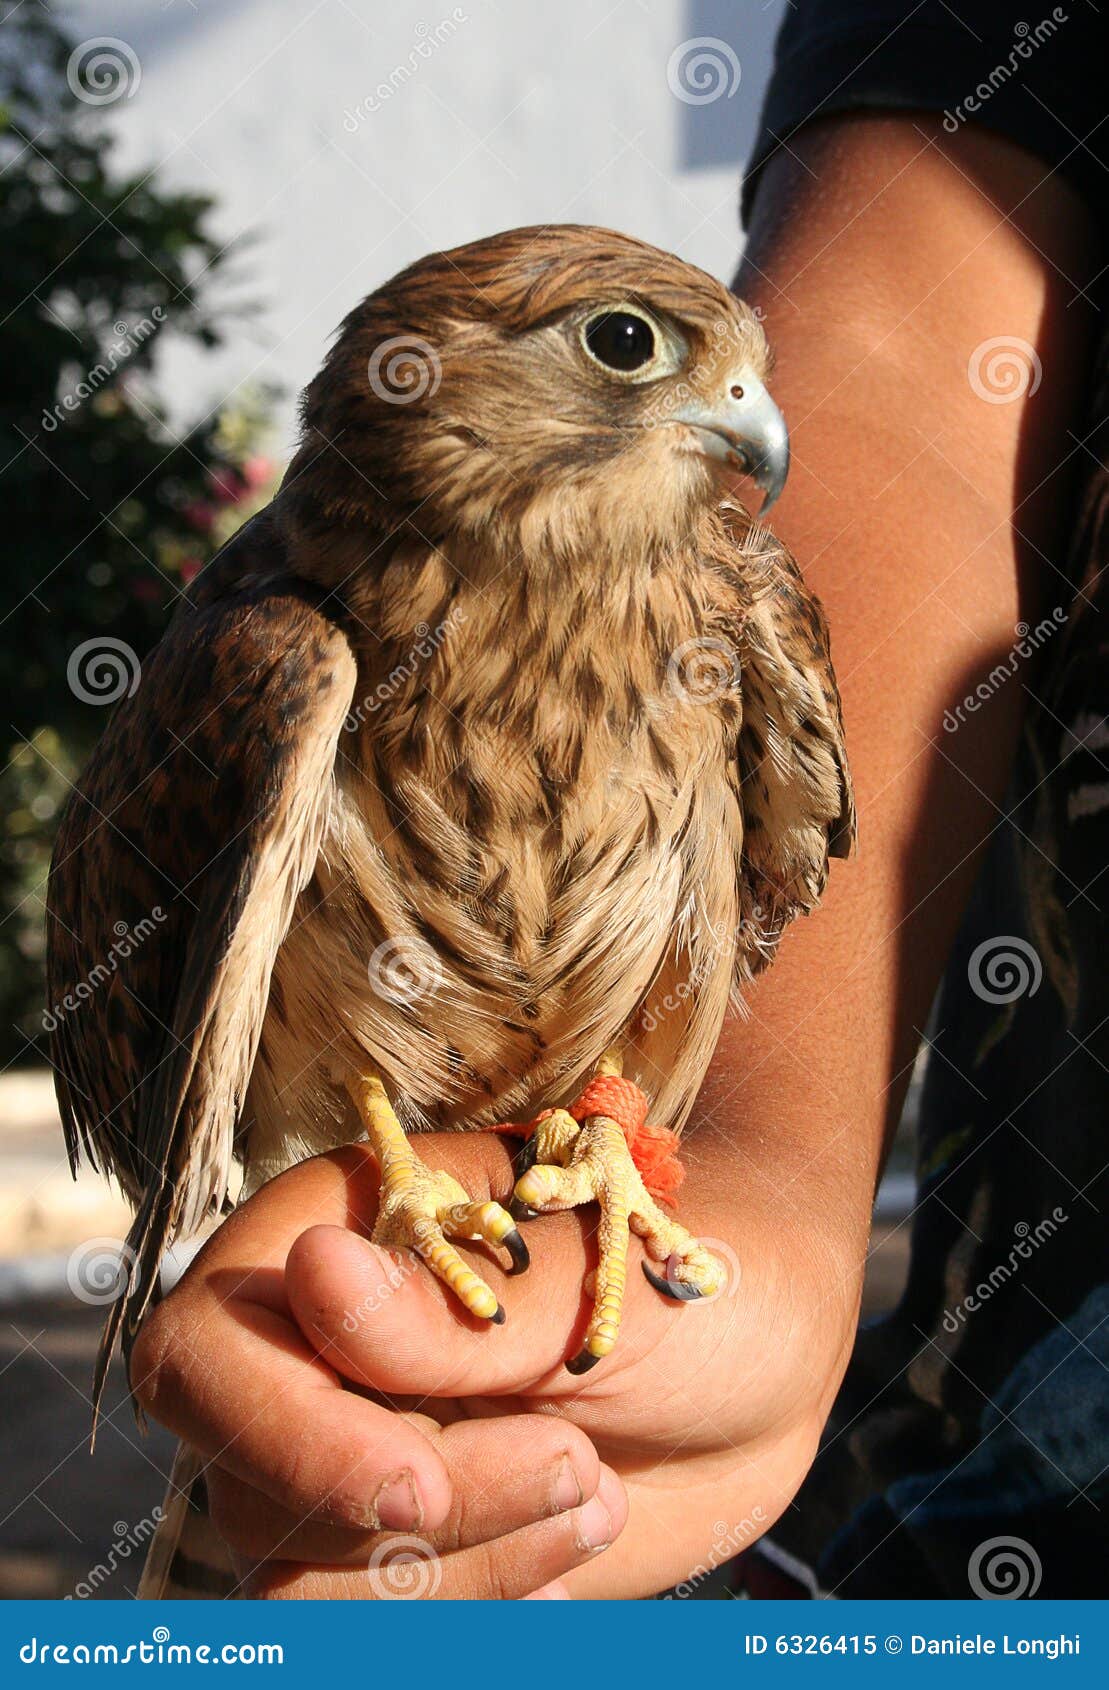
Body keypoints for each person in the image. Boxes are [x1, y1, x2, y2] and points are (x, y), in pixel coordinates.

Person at [130, 0, 1108, 1598]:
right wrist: (763, 1200)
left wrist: (636, 1118)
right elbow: (912, 362)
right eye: (639, 354)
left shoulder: (724, 612)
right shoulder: (279, 651)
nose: (743, 423)